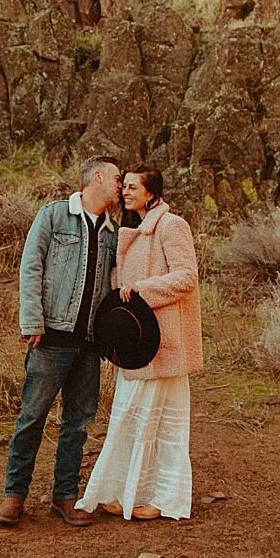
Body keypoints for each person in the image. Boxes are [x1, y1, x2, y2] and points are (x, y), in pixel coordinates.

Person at [0, 154, 122, 528]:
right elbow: (31, 266)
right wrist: (32, 320)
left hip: (90, 345)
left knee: (78, 424)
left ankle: (64, 497)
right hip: (50, 338)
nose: (121, 185)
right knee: (32, 417)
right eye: (117, 178)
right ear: (97, 177)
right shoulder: (53, 216)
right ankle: (14, 496)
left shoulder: (113, 232)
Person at [77, 162, 203, 521]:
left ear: (152, 193)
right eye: (125, 186)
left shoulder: (171, 225)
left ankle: (164, 499)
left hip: (163, 343)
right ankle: (125, 492)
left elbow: (186, 277)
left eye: (133, 187)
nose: (126, 191)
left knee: (161, 425)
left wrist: (142, 290)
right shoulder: (131, 229)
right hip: (139, 344)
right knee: (131, 419)